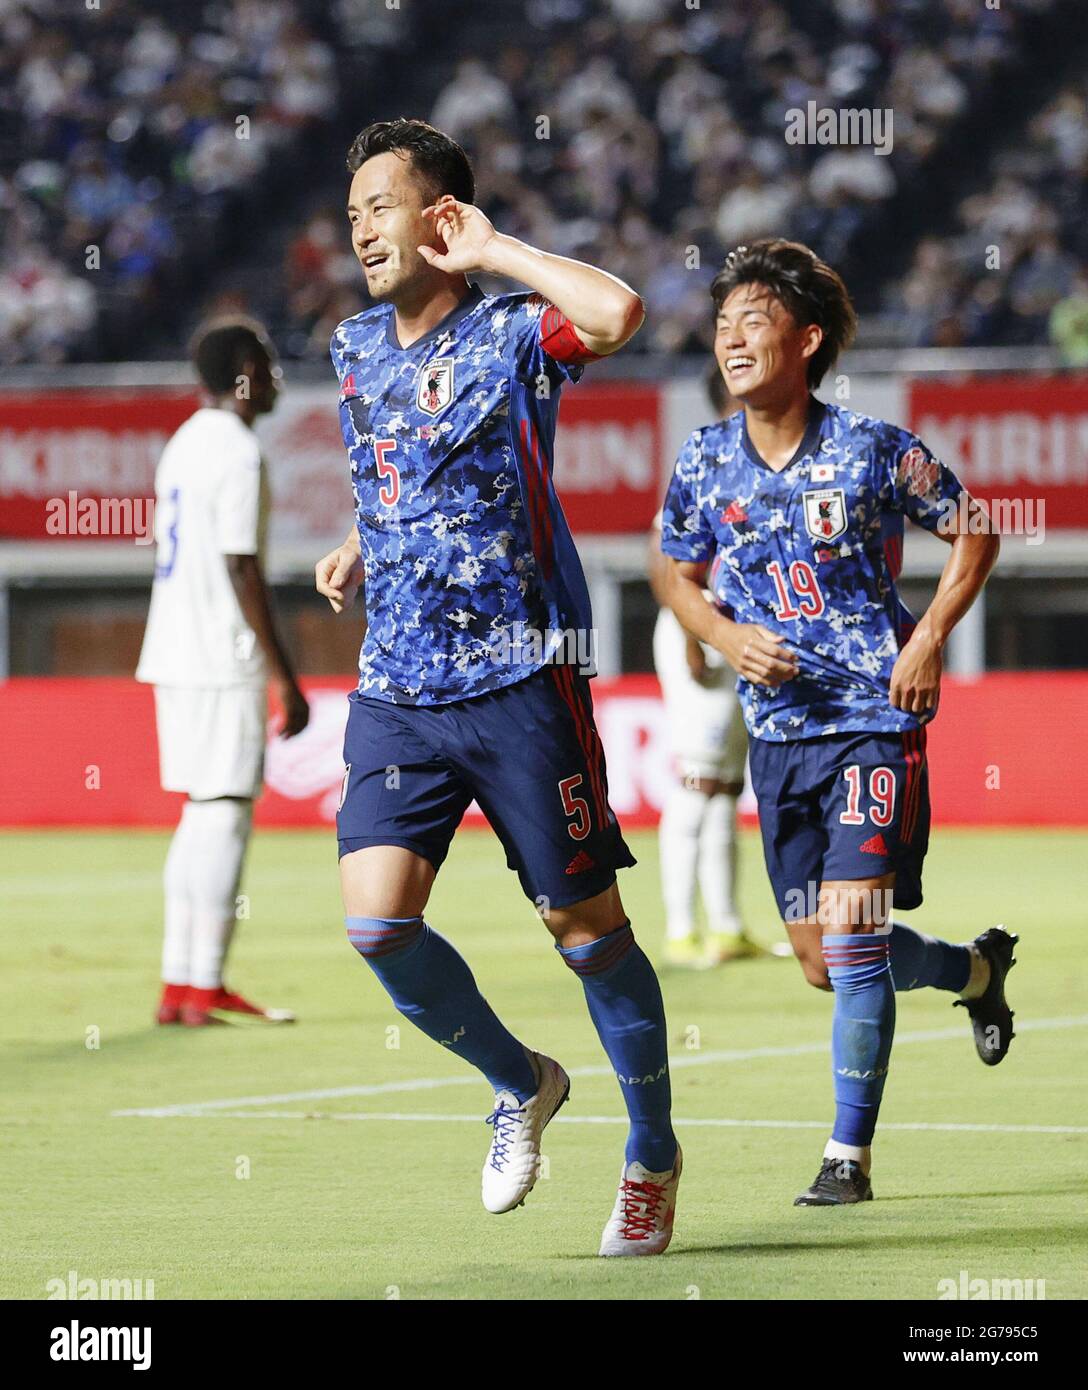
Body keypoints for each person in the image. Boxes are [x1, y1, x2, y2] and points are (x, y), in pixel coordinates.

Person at [313, 119, 679, 1255]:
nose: (359, 224)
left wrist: (501, 249)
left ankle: (651, 1154)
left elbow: (620, 317)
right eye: (353, 208)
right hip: (398, 688)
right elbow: (405, 467)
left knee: (586, 931)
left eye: (380, 203)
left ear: (439, 217)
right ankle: (520, 1080)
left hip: (522, 675)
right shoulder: (350, 347)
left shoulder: (517, 332)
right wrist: (361, 542)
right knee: (376, 919)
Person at [660, 239, 1017, 1205]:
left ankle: (846, 1157)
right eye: (724, 323)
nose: (732, 339)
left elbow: (976, 525)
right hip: (777, 743)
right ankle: (974, 973)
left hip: (871, 724)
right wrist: (725, 636)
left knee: (854, 940)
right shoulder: (701, 459)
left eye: (754, 322)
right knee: (824, 961)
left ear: (806, 340)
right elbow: (676, 574)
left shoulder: (869, 449)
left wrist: (929, 634)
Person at [137, 317, 309, 1027]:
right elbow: (241, 564)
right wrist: (286, 676)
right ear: (242, 369)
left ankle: (182, 981)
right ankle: (202, 980)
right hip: (219, 654)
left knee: (199, 813)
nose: (275, 376)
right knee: (224, 812)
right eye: (266, 363)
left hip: (172, 649)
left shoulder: (182, 442)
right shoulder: (237, 451)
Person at [648, 365, 760, 969]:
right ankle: (681, 929)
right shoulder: (706, 458)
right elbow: (660, 555)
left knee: (724, 787)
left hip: (738, 638)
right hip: (702, 631)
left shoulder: (761, 456)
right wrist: (694, 634)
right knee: (696, 780)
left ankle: (726, 925)